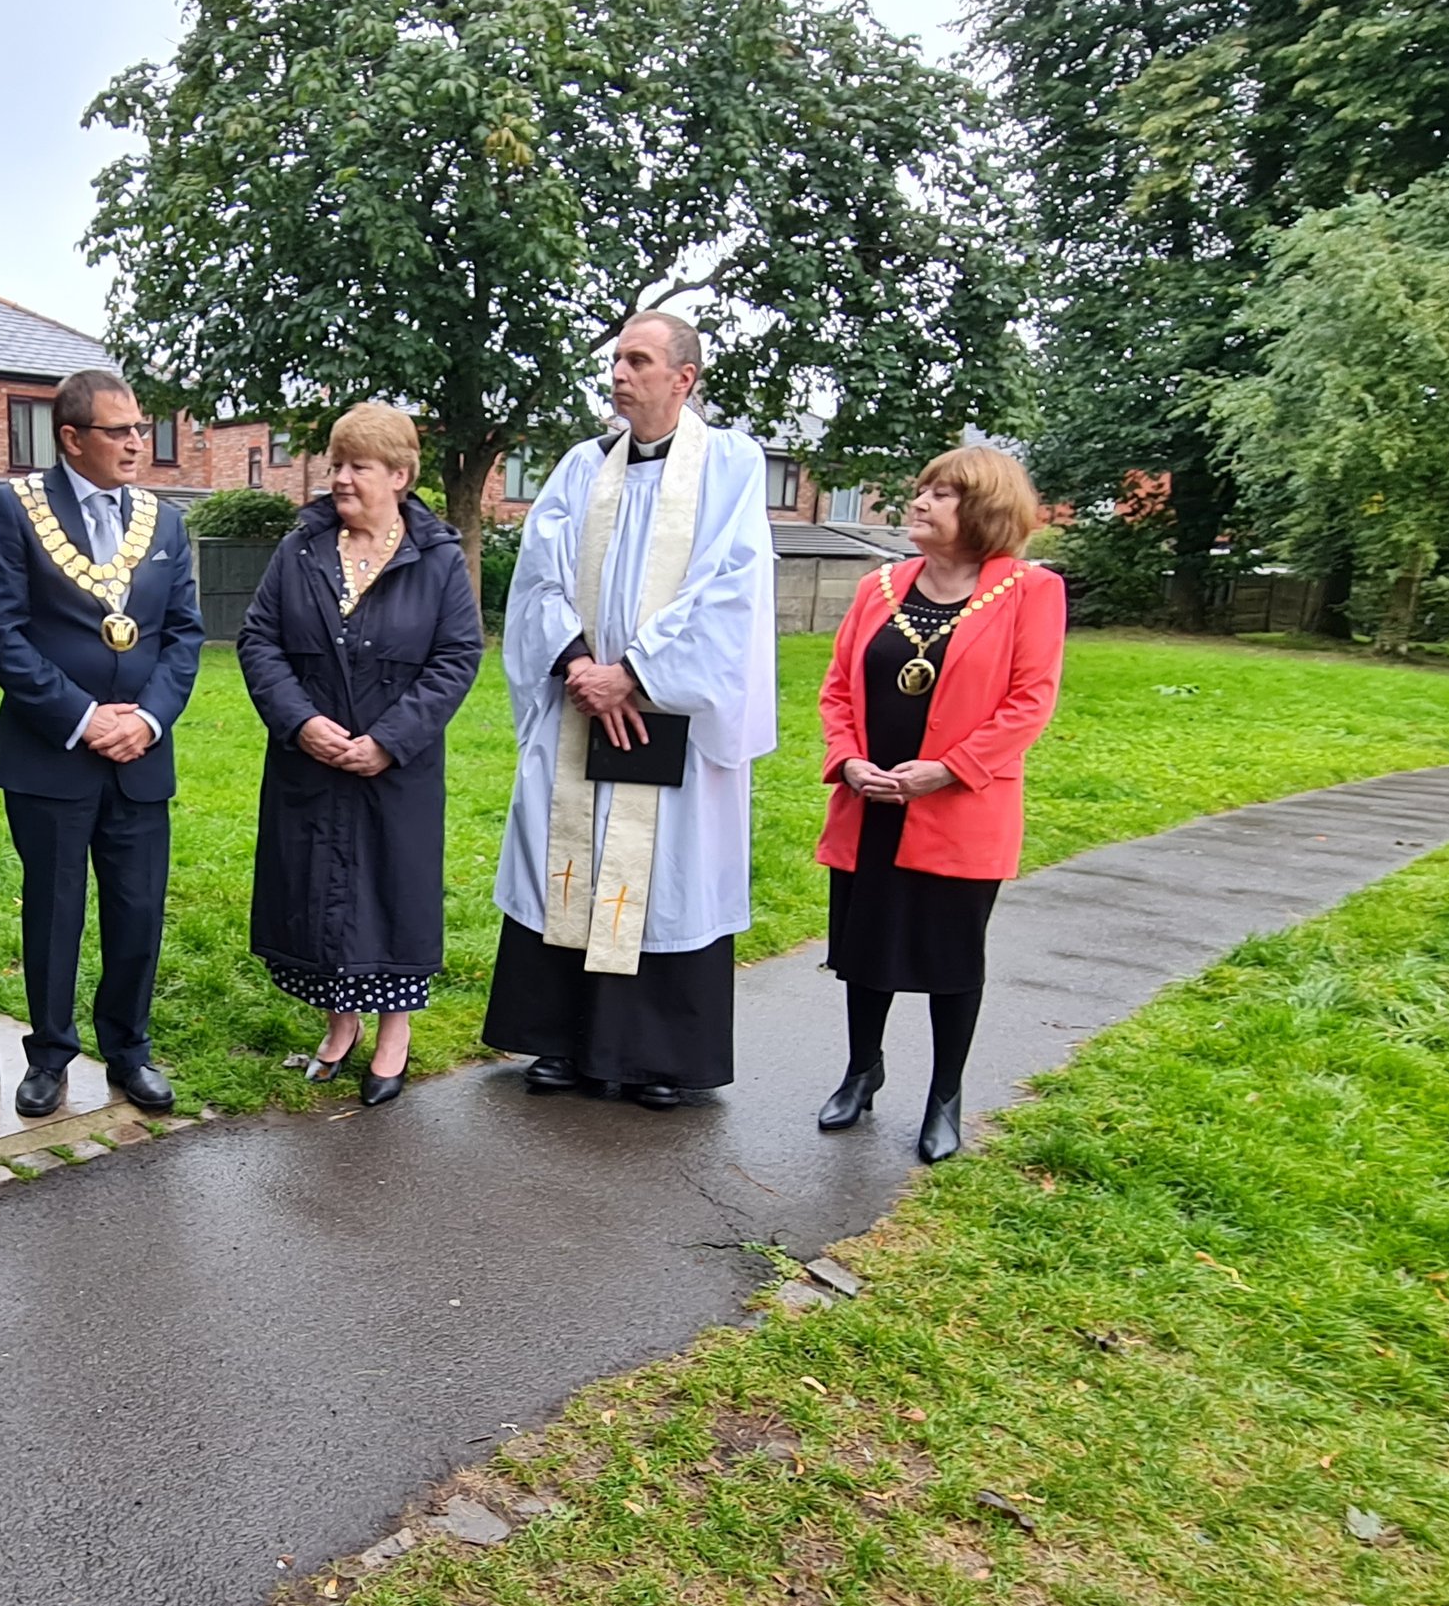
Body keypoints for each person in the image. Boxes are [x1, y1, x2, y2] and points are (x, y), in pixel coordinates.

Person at [483, 311, 778, 1109]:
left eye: (638, 361)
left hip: (666, 711)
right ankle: (562, 1040)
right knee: (570, 856)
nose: (618, 373)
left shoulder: (730, 464)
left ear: (684, 378)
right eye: (615, 359)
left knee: (661, 869)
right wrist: (580, 662)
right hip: (584, 698)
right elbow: (538, 577)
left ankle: (654, 1055)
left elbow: (730, 585)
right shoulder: (583, 466)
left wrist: (639, 673)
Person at [814, 445, 1065, 1161]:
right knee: (863, 951)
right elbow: (837, 688)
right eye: (922, 489)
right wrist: (849, 760)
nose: (921, 502)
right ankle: (863, 1071)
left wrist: (949, 770)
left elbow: (1029, 702)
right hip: (872, 802)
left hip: (960, 809)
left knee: (951, 959)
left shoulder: (1030, 591)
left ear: (984, 509)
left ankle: (944, 1095)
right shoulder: (879, 587)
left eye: (943, 494)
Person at [0, 367, 204, 1118]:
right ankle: (49, 1053)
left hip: (142, 755)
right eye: (119, 430)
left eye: (140, 428)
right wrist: (83, 716)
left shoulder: (164, 522)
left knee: (137, 909)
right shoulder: (16, 507)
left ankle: (129, 1050)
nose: (137, 442)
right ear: (71, 437)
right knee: (54, 910)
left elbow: (183, 637)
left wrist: (146, 719)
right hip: (51, 754)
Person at [237, 404, 485, 1108]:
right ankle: (340, 1024)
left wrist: (390, 739)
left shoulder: (435, 559)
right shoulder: (301, 550)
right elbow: (259, 641)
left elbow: (458, 656)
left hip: (395, 770)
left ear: (400, 476)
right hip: (310, 762)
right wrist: (301, 722)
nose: (341, 479)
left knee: (390, 894)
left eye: (359, 466)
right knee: (317, 890)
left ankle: (394, 1034)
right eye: (337, 464)